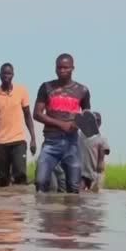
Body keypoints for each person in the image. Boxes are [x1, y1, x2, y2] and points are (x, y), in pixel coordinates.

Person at [33, 53, 91, 193]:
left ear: (72, 68)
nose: (62, 70)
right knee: (41, 182)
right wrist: (61, 124)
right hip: (51, 142)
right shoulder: (46, 87)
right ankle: (43, 213)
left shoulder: (82, 90)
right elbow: (37, 114)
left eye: (65, 68)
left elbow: (87, 115)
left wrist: (78, 123)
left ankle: (69, 215)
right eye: (59, 68)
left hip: (71, 144)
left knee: (74, 186)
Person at [0, 63, 37, 186]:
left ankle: (18, 205)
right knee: (2, 180)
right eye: (4, 73)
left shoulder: (22, 91)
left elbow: (27, 115)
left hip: (18, 141)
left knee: (20, 176)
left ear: (13, 75)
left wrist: (33, 139)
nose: (6, 76)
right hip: (0, 143)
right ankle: (4, 205)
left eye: (9, 73)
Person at [80, 112, 110, 191]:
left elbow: (101, 160)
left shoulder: (102, 139)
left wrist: (99, 176)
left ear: (100, 124)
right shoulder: (79, 135)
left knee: (94, 196)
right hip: (80, 173)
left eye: (97, 121)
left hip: (93, 174)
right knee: (80, 192)